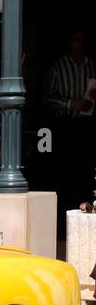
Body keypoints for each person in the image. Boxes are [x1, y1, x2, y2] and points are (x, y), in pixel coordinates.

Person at [45, 27, 96, 211]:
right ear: (69, 43)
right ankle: (66, 210)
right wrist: (71, 104)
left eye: (84, 40)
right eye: (77, 40)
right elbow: (48, 98)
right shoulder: (58, 68)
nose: (81, 44)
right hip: (64, 126)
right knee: (66, 170)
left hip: (86, 125)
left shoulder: (92, 66)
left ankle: (85, 208)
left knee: (85, 168)